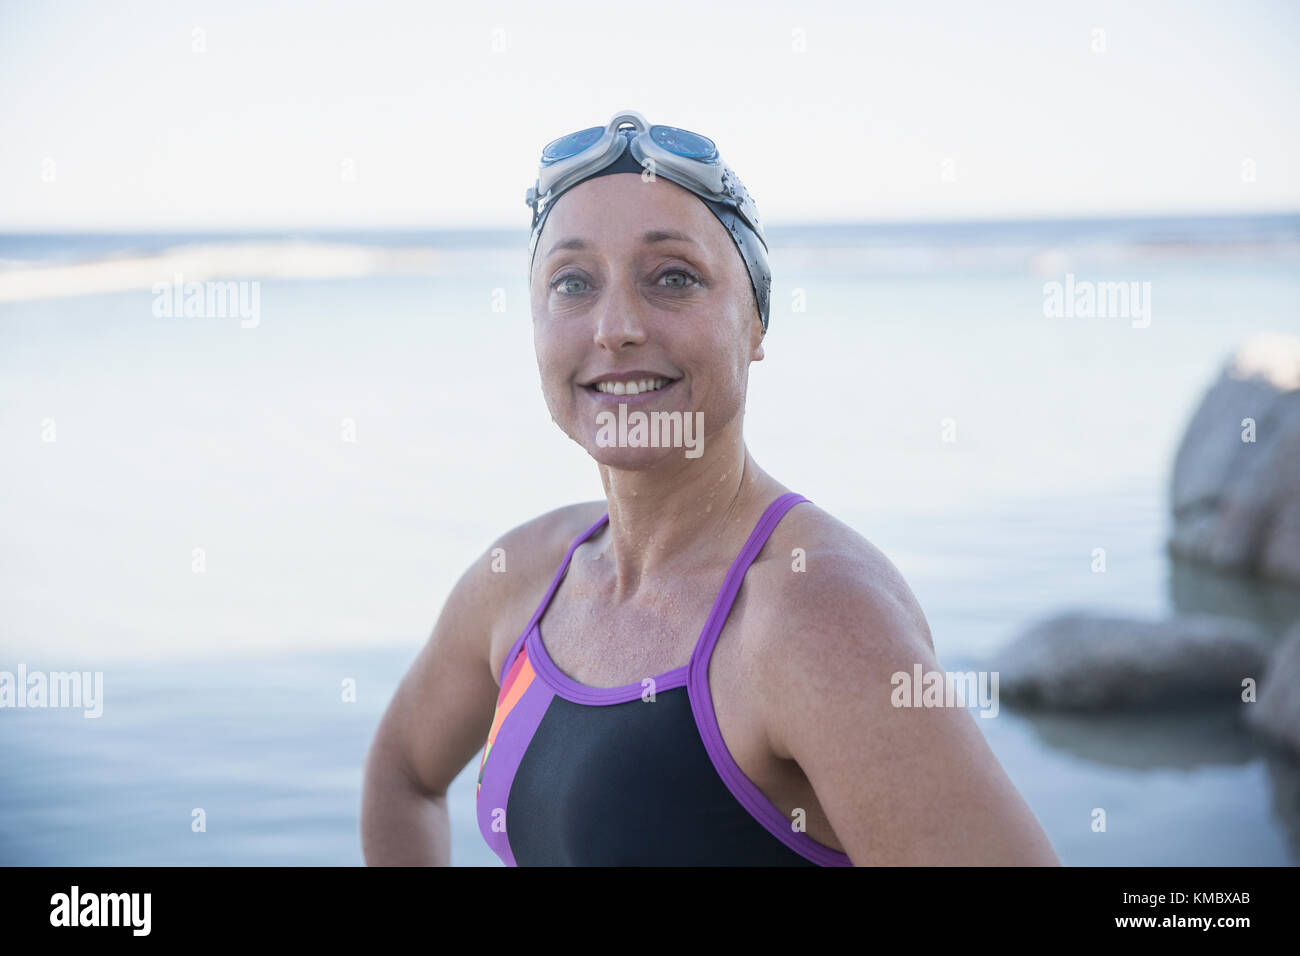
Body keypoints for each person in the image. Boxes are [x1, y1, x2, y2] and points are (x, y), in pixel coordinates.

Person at [361, 109, 1060, 866]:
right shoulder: (525, 578)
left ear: (756, 323)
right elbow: (401, 775)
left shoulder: (812, 615)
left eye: (673, 278)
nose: (616, 327)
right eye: (573, 283)